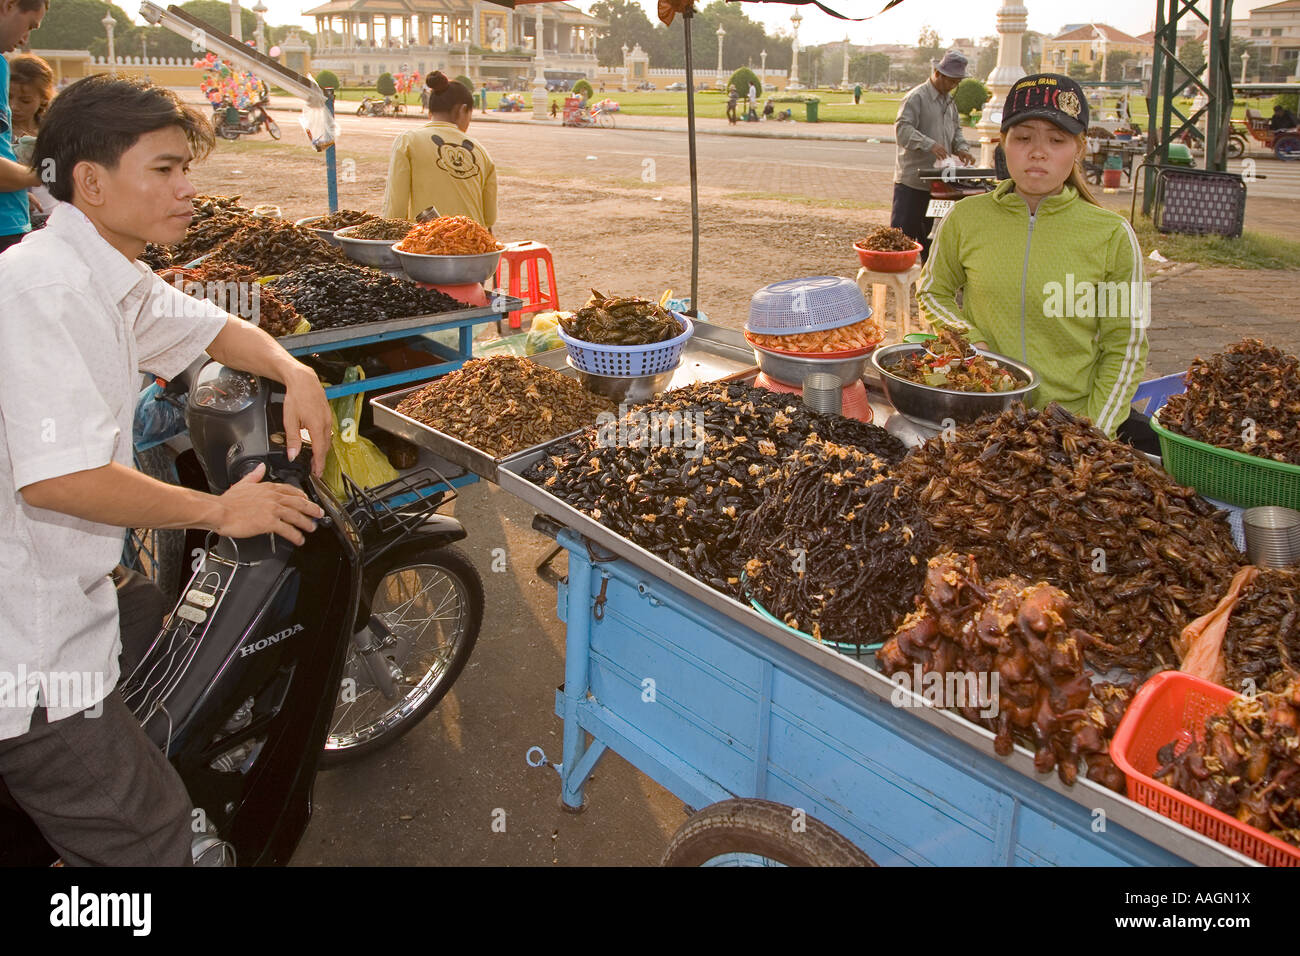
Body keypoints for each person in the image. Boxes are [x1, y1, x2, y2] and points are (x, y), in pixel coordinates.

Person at [0, 75, 332, 865]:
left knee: (154, 612)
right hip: (28, 654)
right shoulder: (43, 289)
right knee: (156, 842)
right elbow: (59, 481)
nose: (188, 190)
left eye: (188, 169)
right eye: (164, 170)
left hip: (75, 587)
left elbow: (208, 326)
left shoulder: (103, 272)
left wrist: (296, 371)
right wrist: (221, 514)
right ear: (91, 181)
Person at [917, 73, 1148, 440]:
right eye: (1023, 138)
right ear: (1003, 143)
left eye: (1056, 140)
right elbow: (932, 291)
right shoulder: (965, 218)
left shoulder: (1113, 234)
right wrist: (967, 337)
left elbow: (1126, 345)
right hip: (982, 417)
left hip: (1071, 425)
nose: (1038, 152)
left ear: (1079, 149)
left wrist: (1093, 432)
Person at [383, 70, 497, 229]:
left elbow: (395, 209)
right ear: (463, 110)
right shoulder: (480, 151)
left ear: (430, 111)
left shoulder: (408, 141)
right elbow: (489, 217)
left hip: (425, 246)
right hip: (473, 246)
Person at [891, 49, 975, 262]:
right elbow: (903, 130)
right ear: (938, 74)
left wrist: (962, 147)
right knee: (903, 236)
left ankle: (927, 280)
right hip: (912, 182)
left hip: (938, 184)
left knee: (931, 236)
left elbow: (955, 131)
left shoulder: (949, 103)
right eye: (951, 81)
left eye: (957, 82)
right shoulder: (916, 97)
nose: (954, 86)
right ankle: (898, 279)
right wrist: (929, 144)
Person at [0, 0, 47, 254]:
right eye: (29, 25)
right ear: (9, 5)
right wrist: (36, 176)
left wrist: (16, 191)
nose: (24, 38)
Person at [8, 52, 57, 221]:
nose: (14, 106)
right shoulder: (3, 133)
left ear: (43, 99)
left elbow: (54, 174)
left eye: (25, 100)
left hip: (50, 214)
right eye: (8, 97)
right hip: (15, 216)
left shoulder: (50, 133)